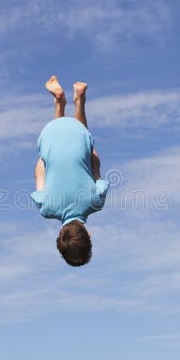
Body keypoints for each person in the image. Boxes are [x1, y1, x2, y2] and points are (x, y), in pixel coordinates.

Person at [31, 76, 109, 266]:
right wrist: (48, 155)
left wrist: (87, 149)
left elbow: (95, 163)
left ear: (89, 235)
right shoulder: (47, 208)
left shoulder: (96, 202)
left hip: (79, 133)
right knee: (55, 152)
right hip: (49, 133)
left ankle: (79, 100)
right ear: (60, 235)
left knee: (84, 149)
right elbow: (39, 170)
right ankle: (59, 101)